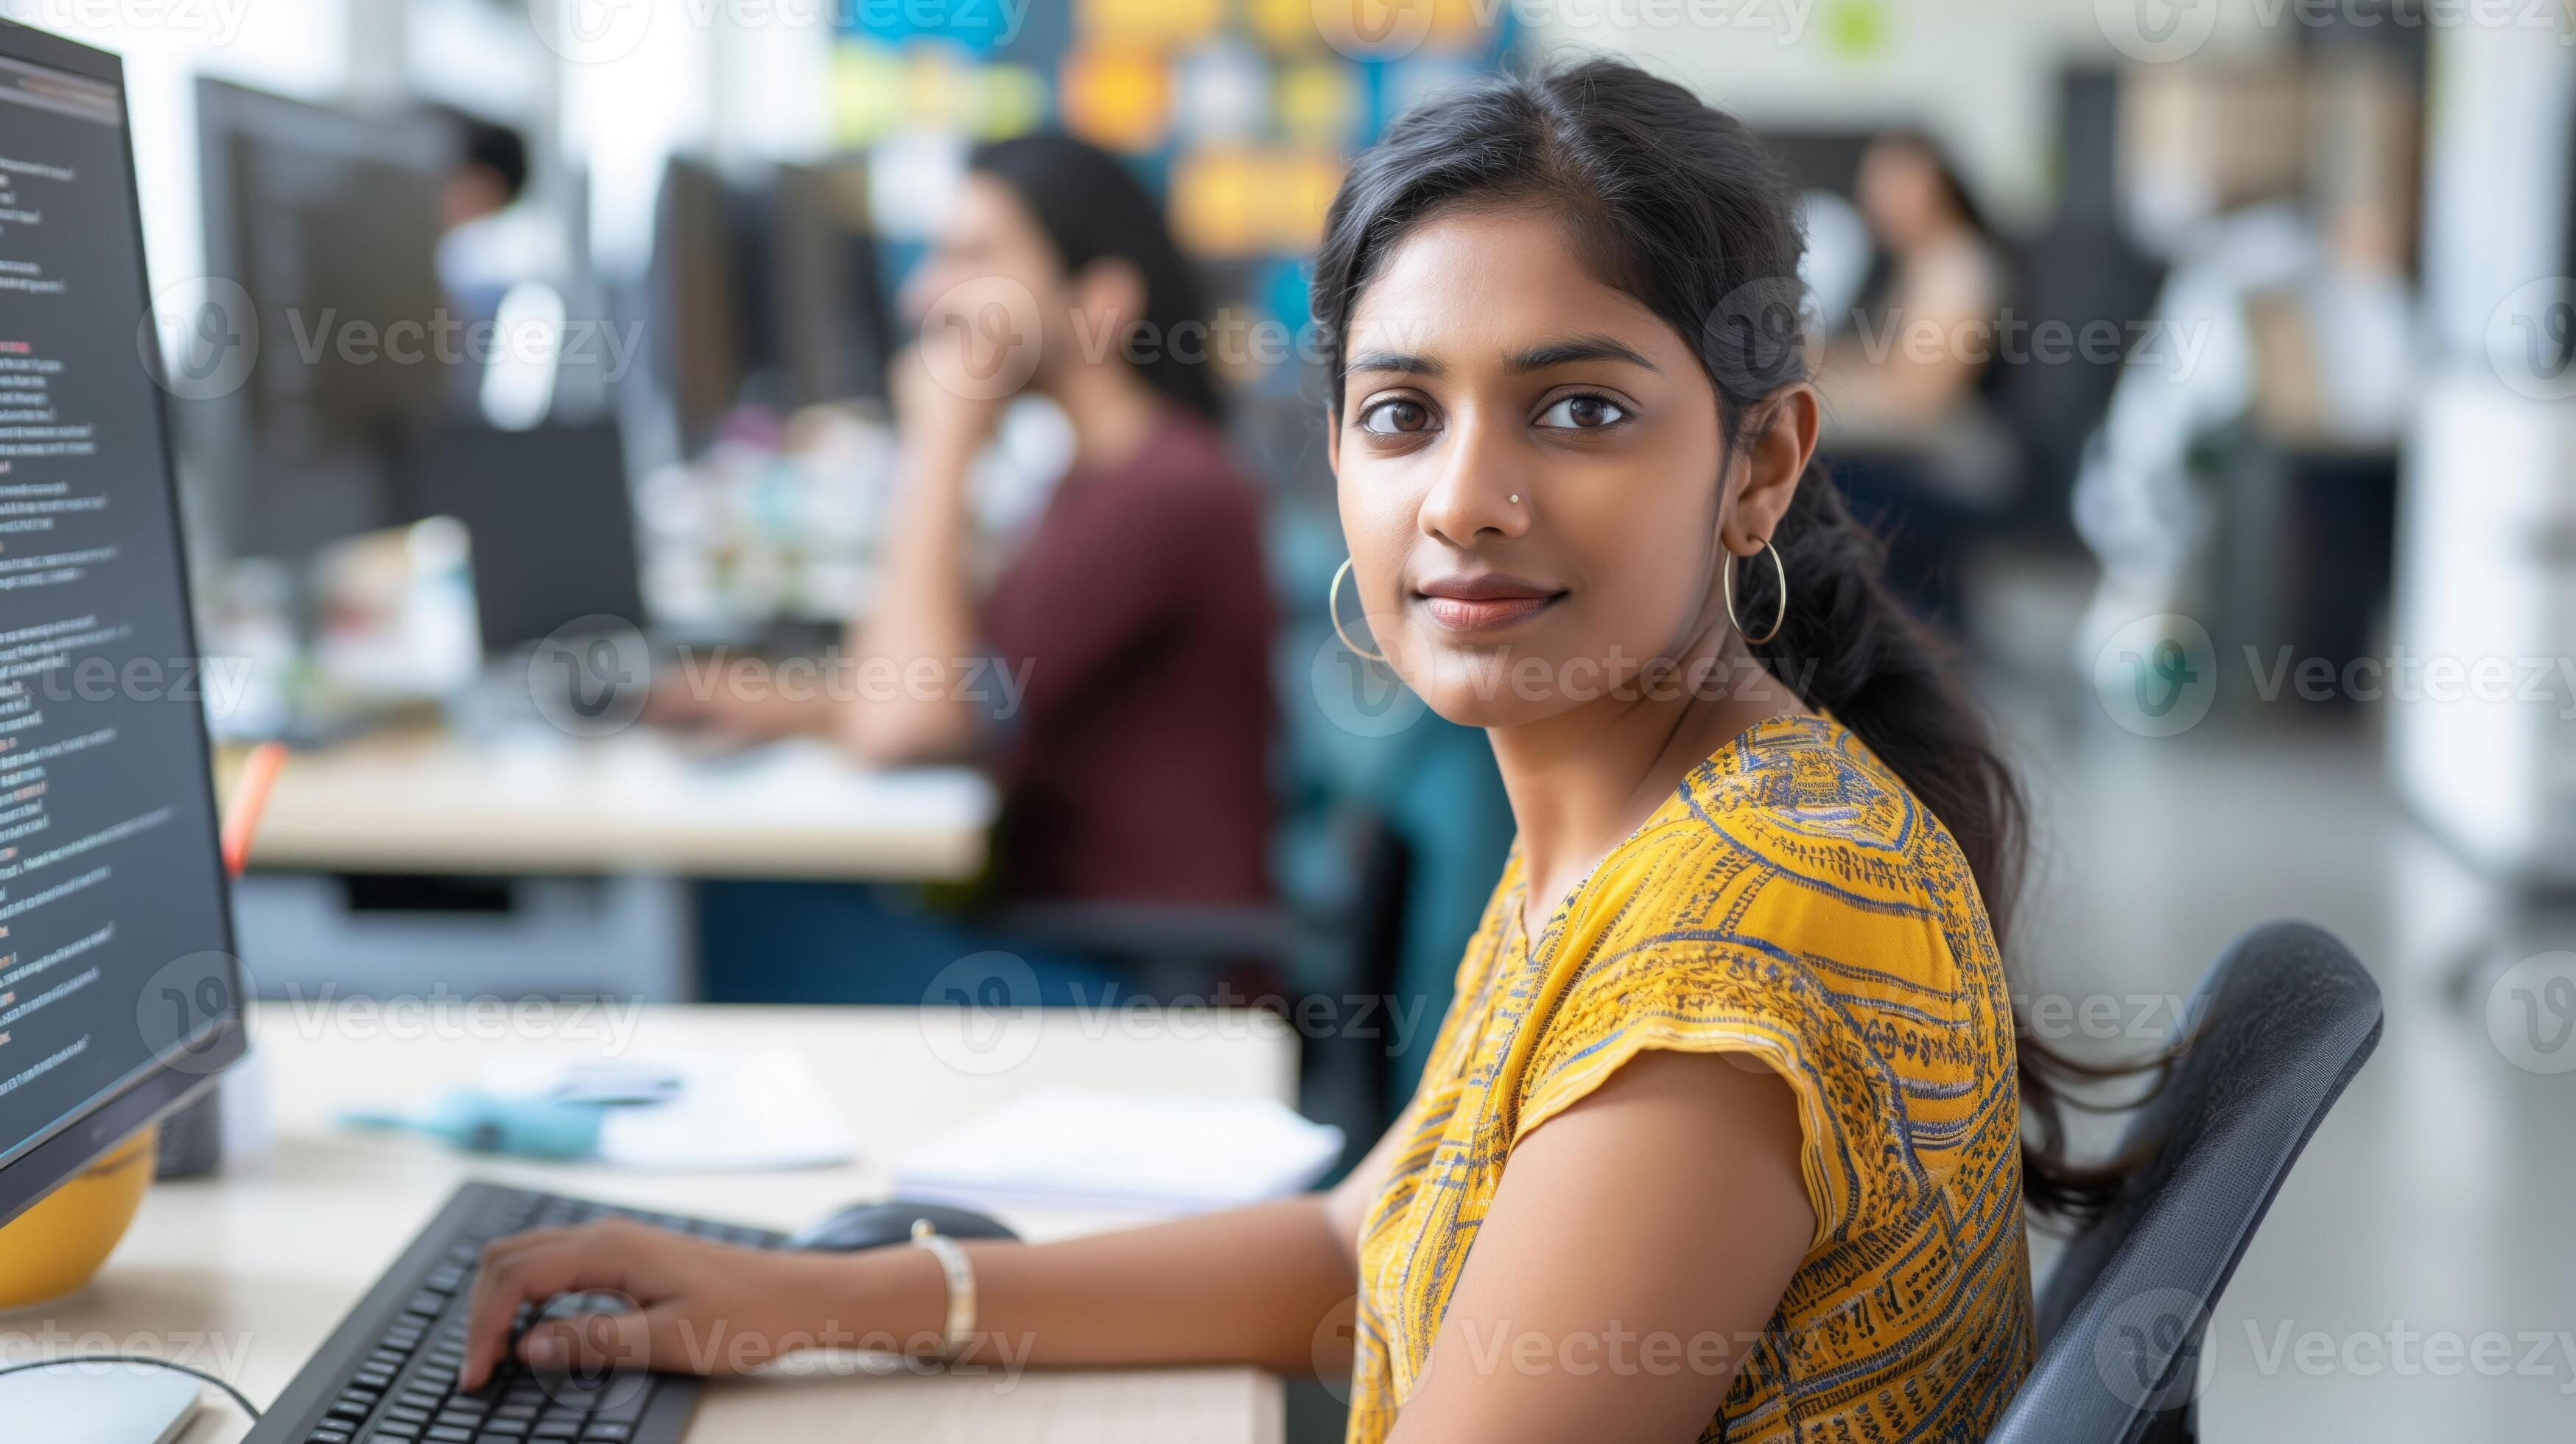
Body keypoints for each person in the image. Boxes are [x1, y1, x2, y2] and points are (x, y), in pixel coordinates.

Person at [460, 64, 2146, 1440]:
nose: (1463, 501)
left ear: (1759, 465)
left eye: (1576, 410)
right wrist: (811, 1299)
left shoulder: (1739, 936)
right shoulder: (1641, 824)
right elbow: (1360, 1254)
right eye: (1401, 414)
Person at [659, 135, 1274, 999]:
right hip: (1083, 949)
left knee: (702, 910)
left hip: (1138, 981)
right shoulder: (1104, 478)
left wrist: (941, 442)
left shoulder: (1165, 494)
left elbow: (904, 724)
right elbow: (962, 688)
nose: (922, 296)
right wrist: (769, 701)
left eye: (971, 256)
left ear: (1098, 304)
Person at [1817, 130, 2017, 623]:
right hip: (1922, 455)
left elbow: (1921, 400)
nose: (1875, 200)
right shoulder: (1922, 264)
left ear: (1933, 185)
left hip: (1955, 469)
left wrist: (1816, 395)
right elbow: (1887, 362)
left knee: (1814, 480)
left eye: (1891, 184)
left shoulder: (1960, 268)